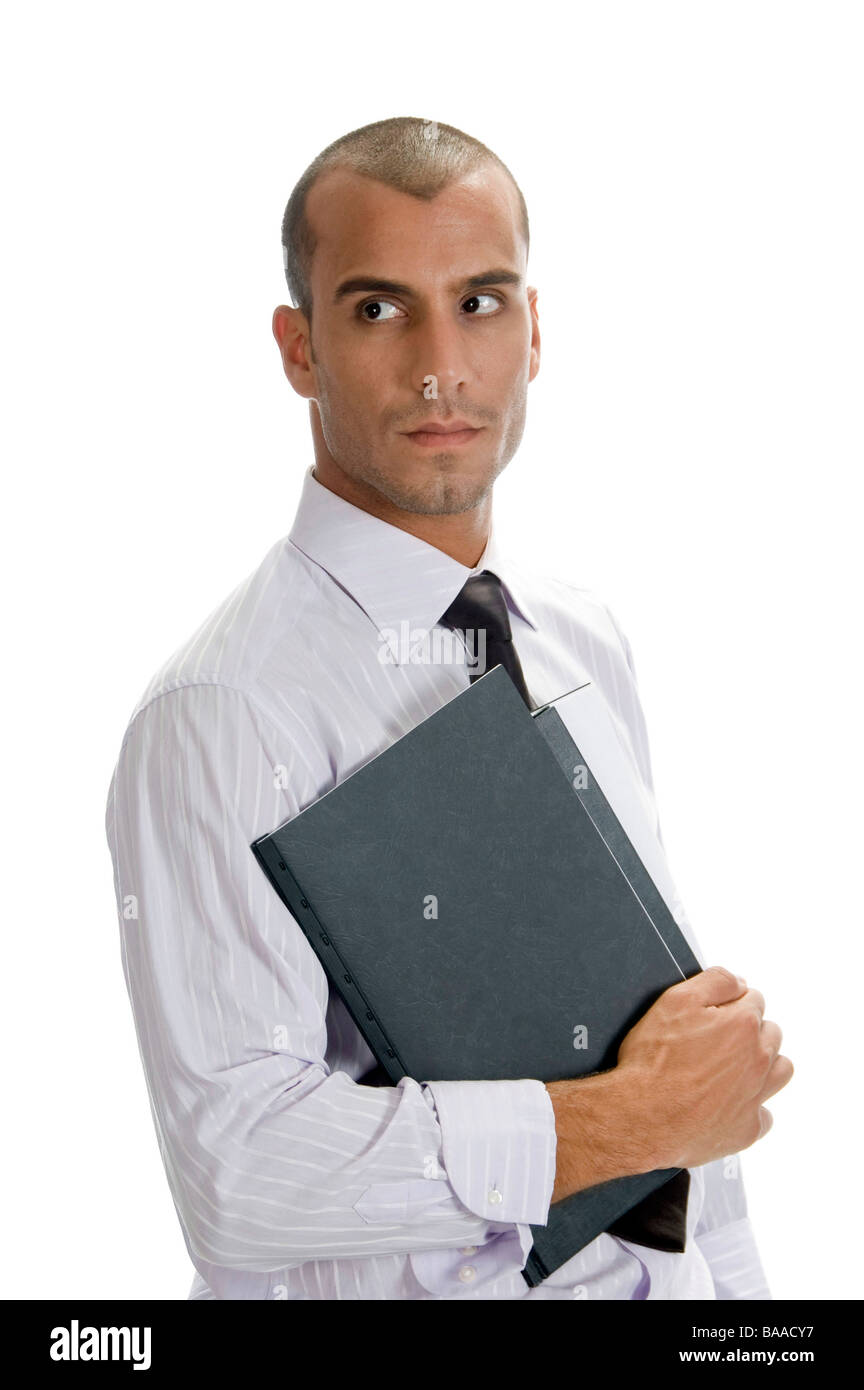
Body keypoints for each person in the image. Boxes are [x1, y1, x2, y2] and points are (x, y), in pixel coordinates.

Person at [105, 116, 793, 1300]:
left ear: (536, 333)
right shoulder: (222, 709)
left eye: (480, 302)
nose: (440, 366)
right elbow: (238, 1169)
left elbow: (674, 1059)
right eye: (379, 309)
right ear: (298, 347)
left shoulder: (579, 639)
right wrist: (616, 1123)